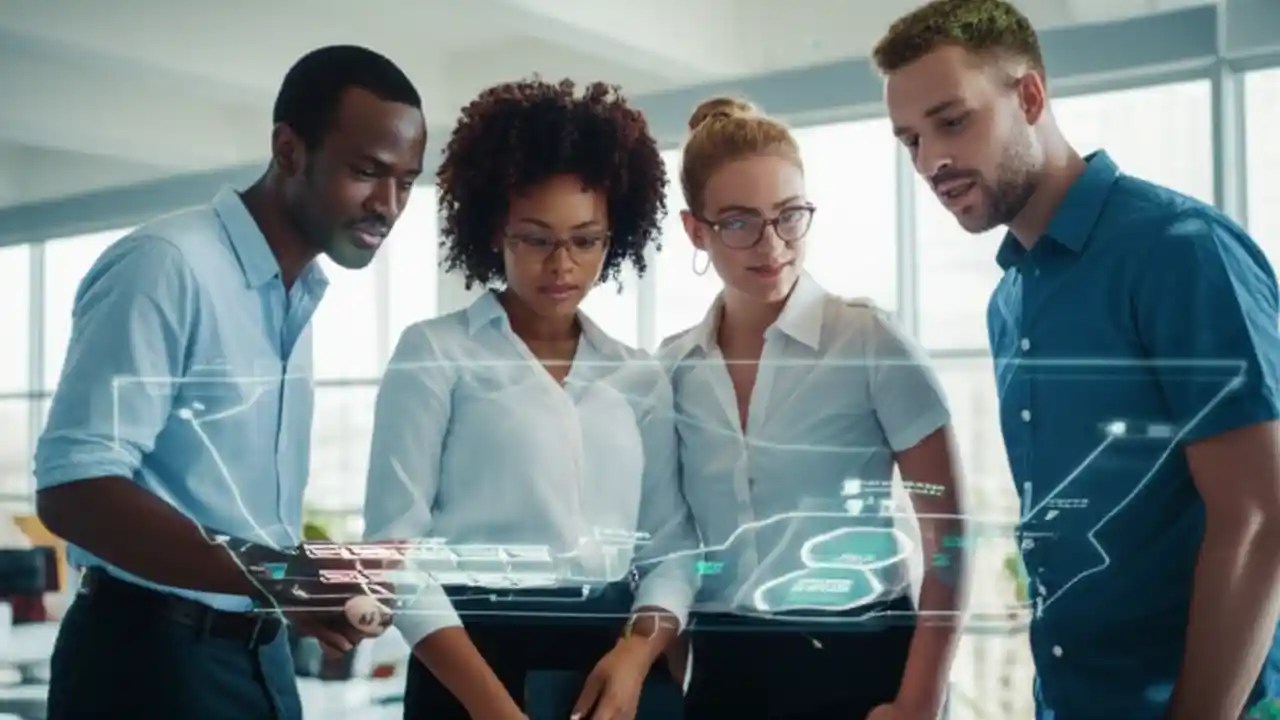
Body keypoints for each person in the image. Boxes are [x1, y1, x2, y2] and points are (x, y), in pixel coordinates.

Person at [874, 1, 1280, 718]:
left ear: (1029, 96)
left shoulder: (1181, 251)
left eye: (952, 120)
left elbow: (1259, 513)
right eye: (909, 140)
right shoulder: (1009, 303)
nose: (931, 159)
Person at [33, 45, 427, 720]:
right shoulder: (168, 266)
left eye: (408, 182)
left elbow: (222, 516)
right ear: (289, 148)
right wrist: (281, 575)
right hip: (145, 666)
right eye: (367, 172)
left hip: (258, 657)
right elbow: (75, 489)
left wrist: (304, 588)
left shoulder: (292, 297)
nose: (387, 205)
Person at [361, 77, 699, 720]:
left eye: (586, 239)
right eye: (536, 238)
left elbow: (671, 552)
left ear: (615, 234)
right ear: (494, 228)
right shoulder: (436, 353)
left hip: (606, 675)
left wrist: (633, 659)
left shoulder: (638, 378)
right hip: (468, 669)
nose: (563, 264)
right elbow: (393, 553)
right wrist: (496, 710)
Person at [660, 96, 971, 720]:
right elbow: (672, 544)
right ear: (697, 230)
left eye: (789, 216)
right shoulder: (672, 369)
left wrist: (919, 700)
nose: (772, 245)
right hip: (724, 674)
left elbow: (950, 535)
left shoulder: (871, 342)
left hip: (860, 666)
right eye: (740, 222)